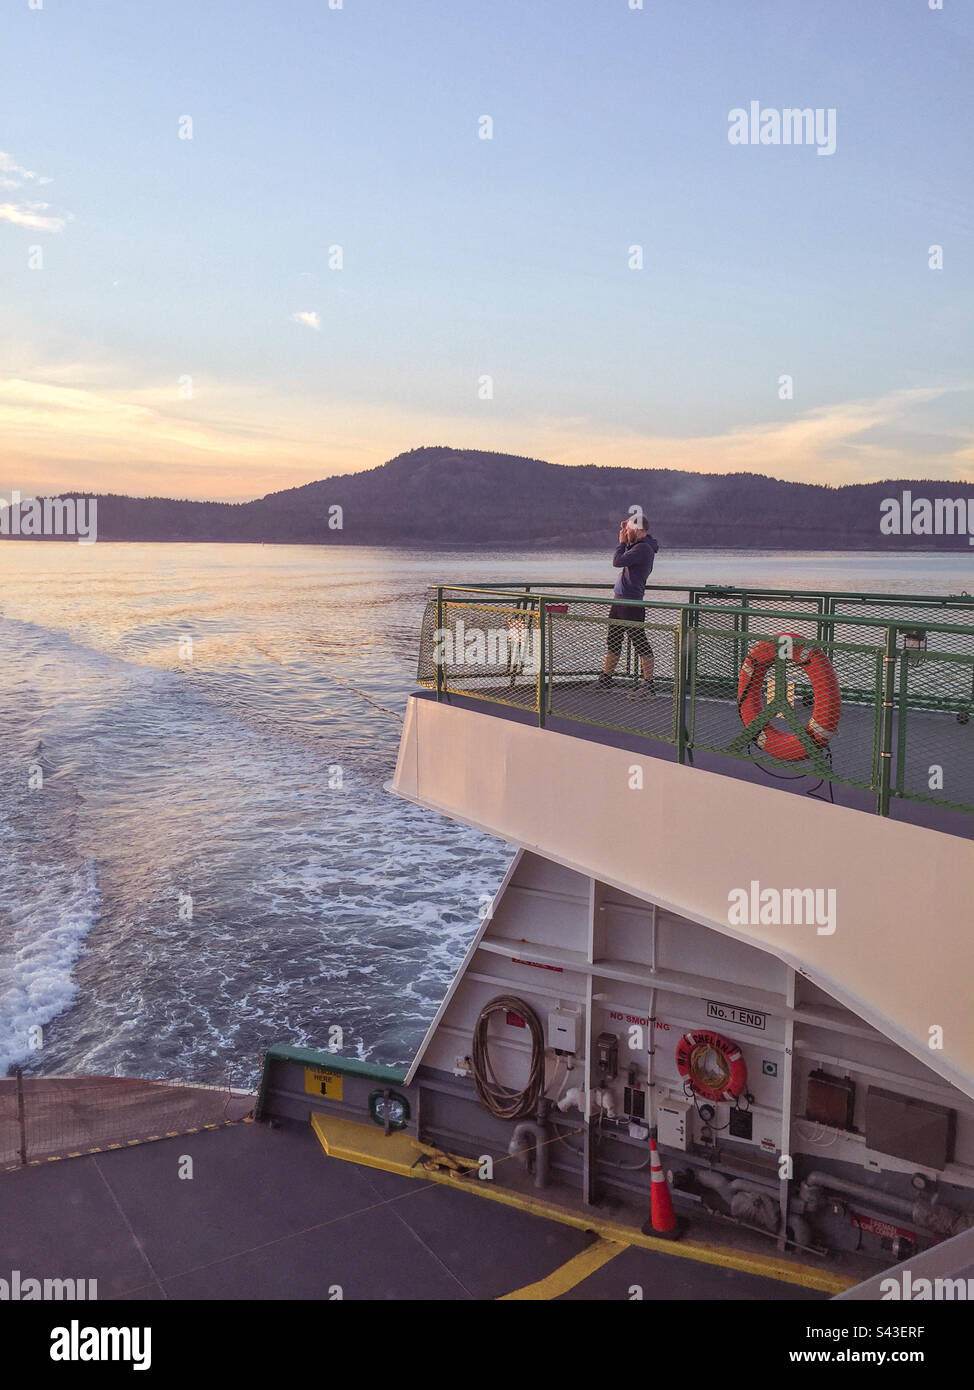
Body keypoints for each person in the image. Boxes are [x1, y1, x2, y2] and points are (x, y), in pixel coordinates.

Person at [598, 510, 660, 695]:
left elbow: (617, 562)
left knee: (640, 642)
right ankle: (606, 679)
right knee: (613, 640)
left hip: (631, 601)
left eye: (629, 528)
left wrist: (622, 543)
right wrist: (626, 541)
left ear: (639, 530)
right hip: (620, 600)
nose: (626, 532)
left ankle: (649, 685)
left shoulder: (643, 548)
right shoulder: (637, 546)